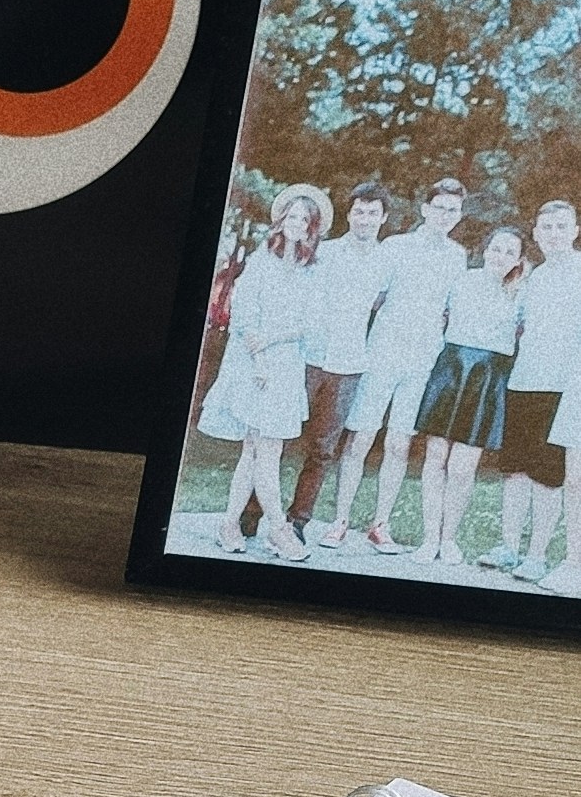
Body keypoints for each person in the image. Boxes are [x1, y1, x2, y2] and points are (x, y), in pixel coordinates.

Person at [325, 177, 472, 551]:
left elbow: (451, 310)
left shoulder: (457, 256)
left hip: (422, 362)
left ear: (459, 216)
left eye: (452, 210)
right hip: (382, 355)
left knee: (398, 444)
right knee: (361, 438)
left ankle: (380, 524)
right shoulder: (396, 247)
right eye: (438, 207)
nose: (444, 215)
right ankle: (339, 520)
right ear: (424, 209)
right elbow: (372, 299)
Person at [195, 184, 325, 559]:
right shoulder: (260, 261)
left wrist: (272, 341)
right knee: (264, 450)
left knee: (257, 451)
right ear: (281, 219)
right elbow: (244, 316)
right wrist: (261, 359)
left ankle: (228, 524)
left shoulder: (311, 269)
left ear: (312, 226)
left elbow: (311, 322)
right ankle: (280, 530)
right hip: (252, 365)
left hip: (286, 364)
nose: (297, 223)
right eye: (292, 216)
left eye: (305, 218)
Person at [287, 182, 393, 540]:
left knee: (323, 449)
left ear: (383, 218)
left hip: (348, 368)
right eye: (359, 211)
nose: (365, 219)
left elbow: (378, 303)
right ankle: (256, 514)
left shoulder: (385, 261)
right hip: (309, 359)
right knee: (280, 436)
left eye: (372, 213)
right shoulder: (325, 252)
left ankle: (298, 520)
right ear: (349, 214)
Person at [415, 223, 525, 564]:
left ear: (519, 259)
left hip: (488, 377)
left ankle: (449, 540)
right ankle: (429, 538)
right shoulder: (461, 280)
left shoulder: (522, 293)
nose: (501, 256)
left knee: (462, 467)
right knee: (436, 459)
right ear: (485, 249)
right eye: (496, 248)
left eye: (510, 251)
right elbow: (433, 319)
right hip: (451, 370)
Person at [488, 198, 581, 582]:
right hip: (522, 382)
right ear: (536, 234)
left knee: (548, 476)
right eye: (547, 228)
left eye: (562, 227)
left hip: (560, 390)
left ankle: (537, 555)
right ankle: (509, 548)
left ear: (575, 231)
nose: (554, 234)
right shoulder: (533, 277)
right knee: (515, 470)